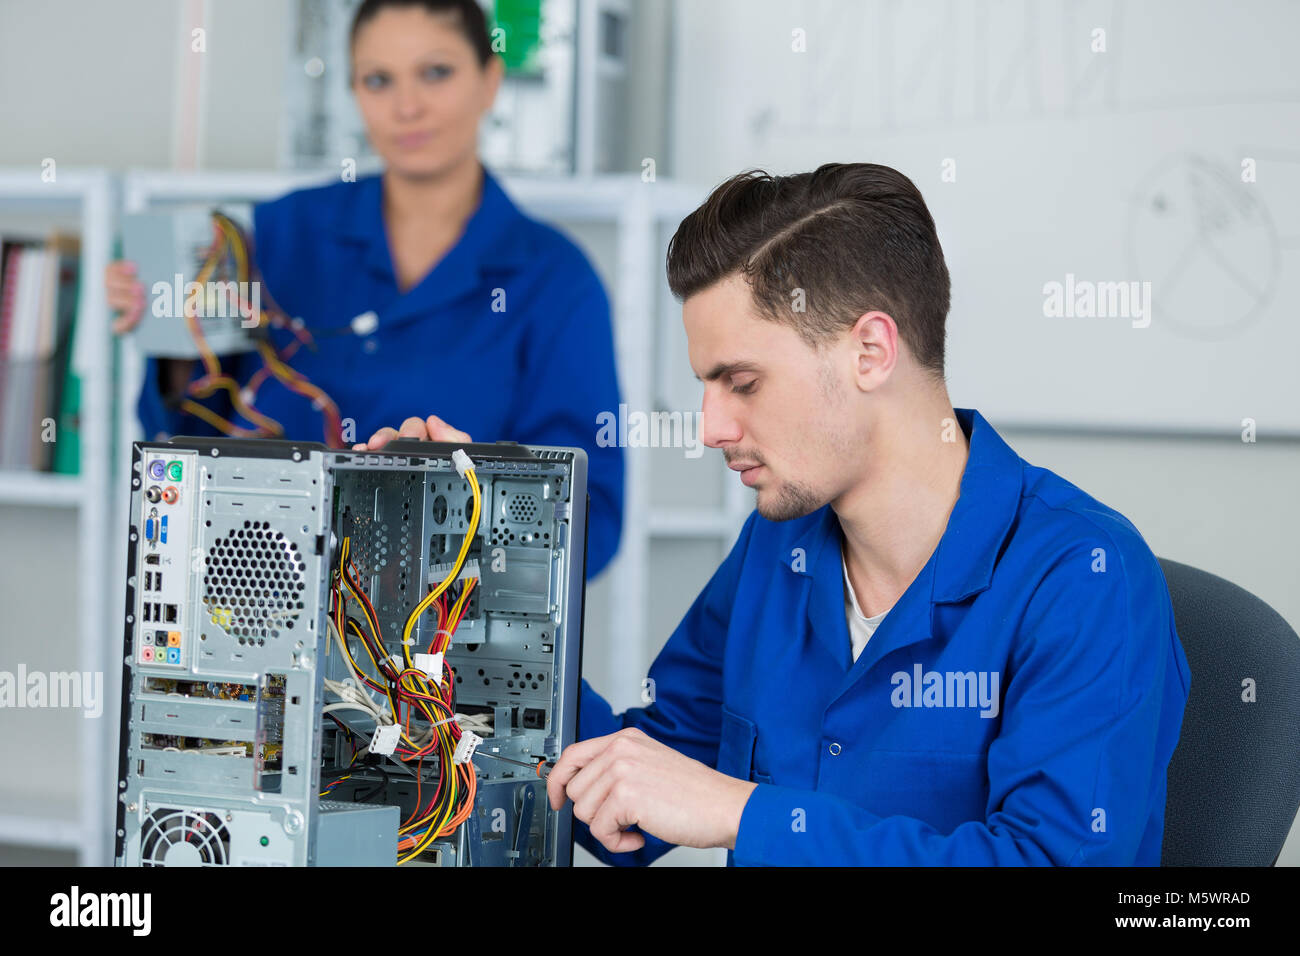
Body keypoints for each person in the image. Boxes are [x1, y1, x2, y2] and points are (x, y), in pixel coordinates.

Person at [362, 162, 1192, 865]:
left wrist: (745, 813)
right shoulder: (782, 543)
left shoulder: (1086, 579)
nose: (711, 428)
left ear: (871, 351)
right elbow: (632, 794)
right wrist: (469, 572)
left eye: (743, 383)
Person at [105, 0, 625, 578]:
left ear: (490, 80)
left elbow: (590, 512)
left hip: (448, 639)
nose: (407, 106)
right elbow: (191, 443)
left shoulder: (554, 279)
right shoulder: (277, 235)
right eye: (378, 80)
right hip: (262, 603)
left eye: (436, 72)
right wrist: (174, 329)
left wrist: (461, 563)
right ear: (354, 92)